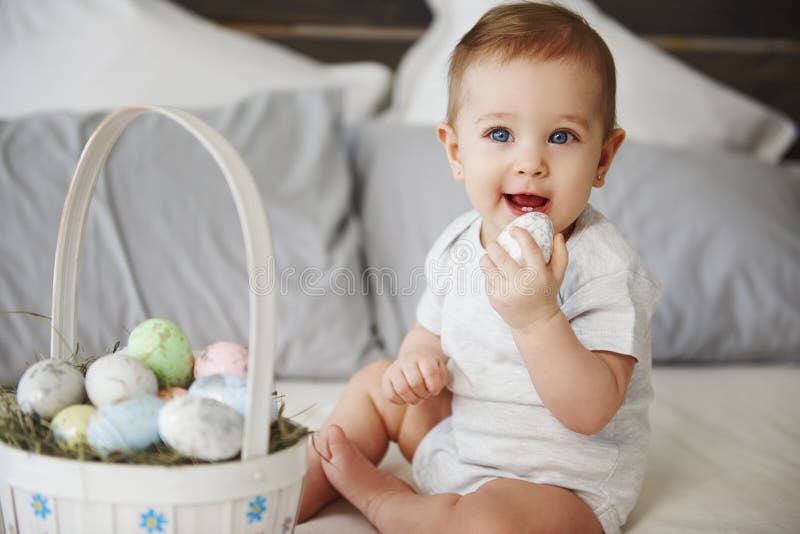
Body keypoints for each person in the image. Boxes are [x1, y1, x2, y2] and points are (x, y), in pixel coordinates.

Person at [297, 2, 661, 533]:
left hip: (559, 487)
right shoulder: (457, 243)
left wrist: (537, 318)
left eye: (561, 137)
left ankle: (383, 504)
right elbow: (430, 330)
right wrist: (416, 366)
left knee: (491, 526)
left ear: (603, 158)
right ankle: (290, 494)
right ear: (455, 150)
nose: (530, 161)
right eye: (499, 135)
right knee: (373, 384)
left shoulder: (605, 266)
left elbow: (591, 411)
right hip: (463, 443)